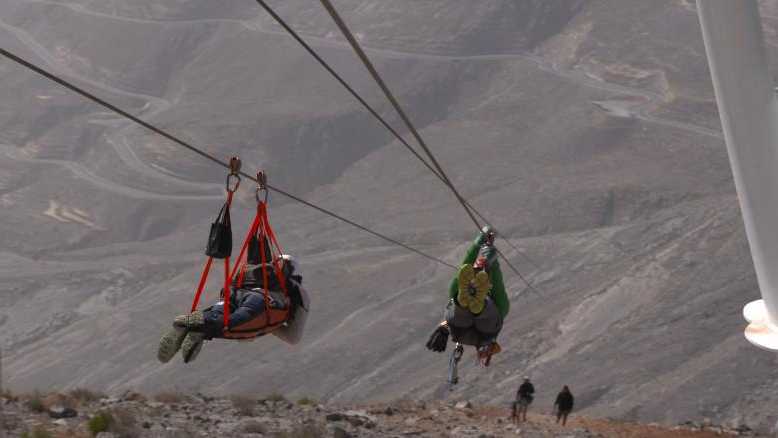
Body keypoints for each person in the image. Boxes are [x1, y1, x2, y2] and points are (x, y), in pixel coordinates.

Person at [157, 254, 309, 364]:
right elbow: (293, 337)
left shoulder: (256, 270)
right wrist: (271, 325)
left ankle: (198, 326)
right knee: (234, 322)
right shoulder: (297, 290)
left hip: (234, 294)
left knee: (220, 312)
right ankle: (202, 324)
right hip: (261, 301)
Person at [426, 226, 509, 365]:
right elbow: (498, 284)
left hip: (463, 327)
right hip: (469, 330)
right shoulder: (497, 304)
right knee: (458, 293)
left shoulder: (468, 285)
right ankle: (476, 305)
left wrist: (479, 245)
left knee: (458, 294)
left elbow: (466, 268)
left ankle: (469, 303)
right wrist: (490, 261)